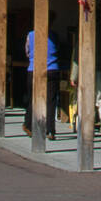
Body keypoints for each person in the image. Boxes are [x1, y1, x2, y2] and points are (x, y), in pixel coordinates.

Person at [24, 11, 61, 140]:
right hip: (52, 69)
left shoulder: (31, 35)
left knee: (32, 98)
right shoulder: (54, 36)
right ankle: (50, 130)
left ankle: (28, 124)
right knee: (51, 101)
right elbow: (58, 49)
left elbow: (27, 52)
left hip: (34, 69)